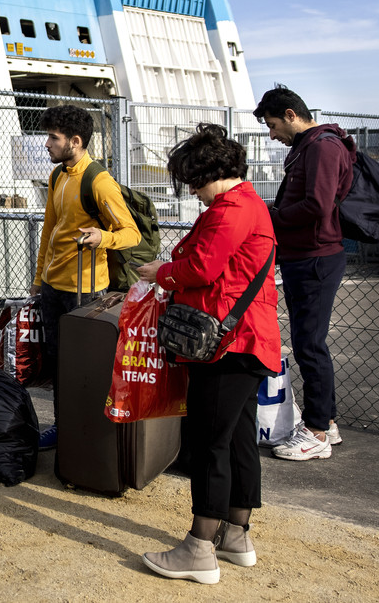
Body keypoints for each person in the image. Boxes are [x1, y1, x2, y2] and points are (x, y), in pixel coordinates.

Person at [136, 123, 280, 584]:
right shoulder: (249, 204)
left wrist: (162, 273)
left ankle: (200, 547)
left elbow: (201, 266)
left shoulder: (231, 208)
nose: (193, 191)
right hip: (248, 339)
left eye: (194, 181)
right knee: (237, 439)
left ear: (209, 172)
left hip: (227, 343)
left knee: (209, 442)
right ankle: (236, 535)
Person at [31, 104, 140, 450]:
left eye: (53, 137)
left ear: (75, 141)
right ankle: (65, 427)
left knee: (86, 369)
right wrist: (38, 280)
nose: (46, 143)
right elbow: (50, 229)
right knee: (59, 365)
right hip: (53, 288)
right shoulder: (57, 175)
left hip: (86, 292)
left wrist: (102, 238)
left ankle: (88, 432)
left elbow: (131, 233)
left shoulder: (99, 181)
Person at [255, 85, 355, 461]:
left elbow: (317, 205)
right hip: (307, 257)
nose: (273, 134)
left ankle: (315, 431)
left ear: (291, 115)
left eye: (273, 124)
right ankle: (324, 422)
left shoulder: (322, 147)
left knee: (310, 346)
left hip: (314, 258)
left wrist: (272, 217)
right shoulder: (313, 147)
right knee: (309, 344)